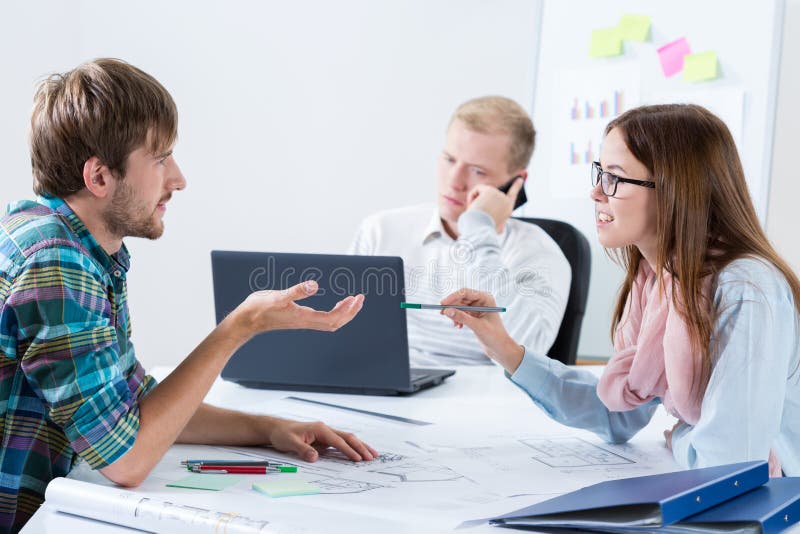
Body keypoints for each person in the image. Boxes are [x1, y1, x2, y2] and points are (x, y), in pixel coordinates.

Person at [0, 58, 377, 533]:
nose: (178, 179)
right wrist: (240, 327)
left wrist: (266, 430)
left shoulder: (72, 245)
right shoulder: (56, 261)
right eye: (159, 159)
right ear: (98, 177)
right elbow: (127, 458)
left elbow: (134, 408)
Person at [439, 104, 800, 476]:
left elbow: (732, 461)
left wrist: (681, 437)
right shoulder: (656, 283)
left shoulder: (748, 289)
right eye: (599, 173)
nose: (596, 192)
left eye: (614, 177)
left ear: (675, 190)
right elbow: (616, 415)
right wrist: (506, 349)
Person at [349, 96, 570, 367]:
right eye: (449, 159)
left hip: (481, 403)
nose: (455, 182)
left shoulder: (539, 253)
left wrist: (478, 231)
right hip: (383, 392)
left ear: (516, 183)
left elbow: (528, 357)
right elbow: (345, 334)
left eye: (477, 171)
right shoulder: (380, 231)